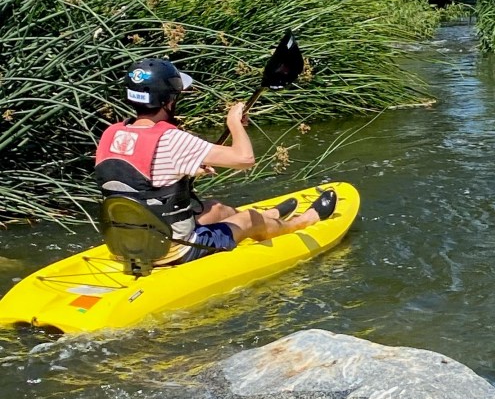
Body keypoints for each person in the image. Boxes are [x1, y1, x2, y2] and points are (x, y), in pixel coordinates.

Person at [95, 57, 336, 265]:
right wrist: (234, 124)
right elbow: (245, 159)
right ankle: (302, 221)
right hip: (173, 250)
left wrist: (189, 169)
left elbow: (143, 182)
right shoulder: (171, 139)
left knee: (217, 208)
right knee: (249, 218)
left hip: (125, 244)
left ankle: (271, 216)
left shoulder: (110, 134)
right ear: (168, 101)